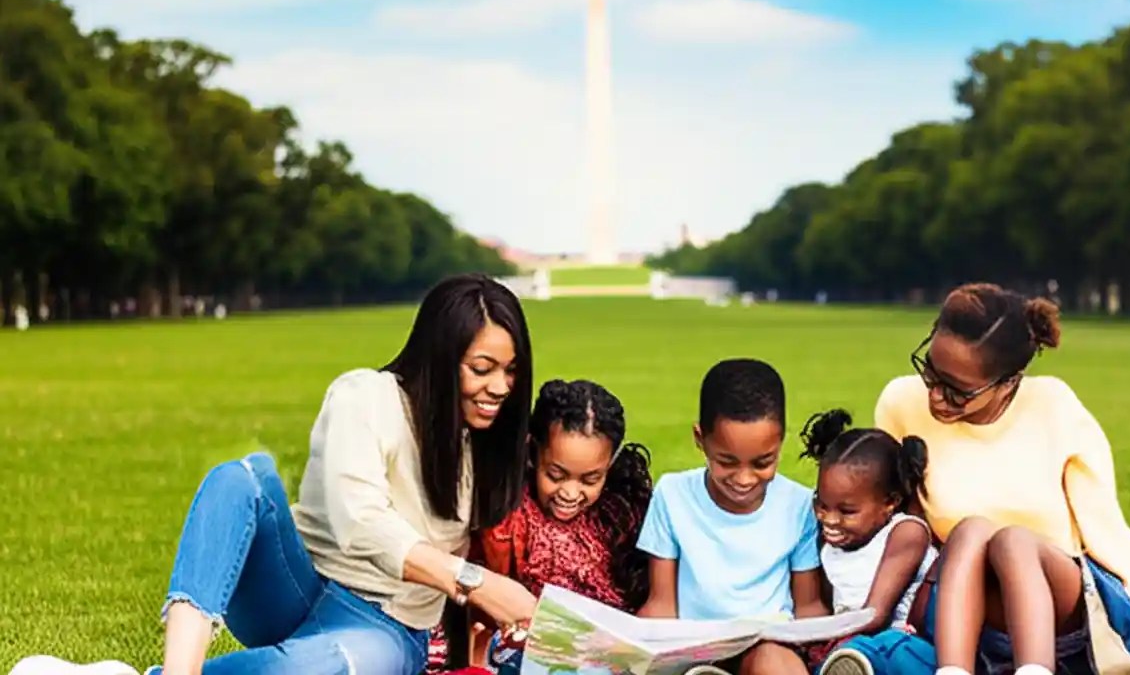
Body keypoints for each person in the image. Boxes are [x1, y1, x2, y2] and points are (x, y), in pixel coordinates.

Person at [14, 273, 540, 675]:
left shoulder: (491, 448)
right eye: (482, 368)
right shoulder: (365, 397)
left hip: (385, 628)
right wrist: (472, 582)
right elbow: (360, 524)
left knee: (332, 665)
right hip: (294, 585)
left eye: (511, 371)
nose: (500, 387)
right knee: (243, 475)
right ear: (439, 358)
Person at [874, 282, 1130, 675]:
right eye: (930, 372)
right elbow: (890, 513)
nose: (936, 397)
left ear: (1009, 382)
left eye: (958, 391)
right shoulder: (900, 402)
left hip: (1084, 576)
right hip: (978, 589)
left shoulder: (1053, 404)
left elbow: (1102, 526)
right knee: (991, 536)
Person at [636, 358, 825, 675]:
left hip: (770, 645)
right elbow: (662, 603)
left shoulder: (799, 504)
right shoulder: (673, 495)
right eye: (727, 461)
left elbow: (808, 605)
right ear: (700, 439)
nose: (744, 479)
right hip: (697, 651)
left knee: (772, 662)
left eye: (762, 462)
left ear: (779, 443)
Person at [469, 378, 654, 674]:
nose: (570, 493)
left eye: (590, 479)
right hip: (519, 647)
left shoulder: (623, 514)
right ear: (533, 452)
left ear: (610, 464)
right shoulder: (503, 512)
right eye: (555, 475)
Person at [798, 409, 938, 675]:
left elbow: (876, 614)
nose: (829, 519)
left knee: (886, 648)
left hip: (902, 644)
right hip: (845, 642)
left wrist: (830, 637)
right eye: (822, 504)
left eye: (847, 511)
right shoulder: (828, 543)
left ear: (890, 503)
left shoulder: (905, 533)